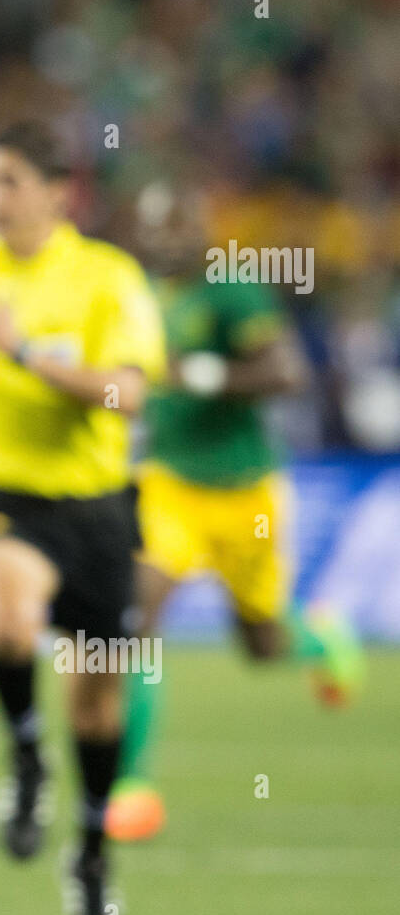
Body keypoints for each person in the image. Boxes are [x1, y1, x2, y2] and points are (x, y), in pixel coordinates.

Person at [0, 121, 165, 915]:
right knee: (10, 621)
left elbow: (128, 393)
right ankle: (26, 754)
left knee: (97, 710)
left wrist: (23, 354)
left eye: (8, 181)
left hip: (96, 510)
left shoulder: (106, 278)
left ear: (59, 191)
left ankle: (90, 854)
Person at [107, 184, 364, 843]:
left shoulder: (234, 292)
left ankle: (320, 638)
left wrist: (208, 376)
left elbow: (288, 372)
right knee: (135, 615)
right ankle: (132, 786)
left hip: (245, 491)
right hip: (169, 485)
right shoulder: (146, 294)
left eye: (175, 225)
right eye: (153, 227)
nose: (162, 239)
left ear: (202, 229)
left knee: (261, 643)